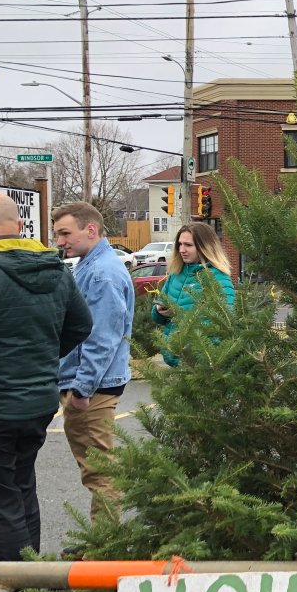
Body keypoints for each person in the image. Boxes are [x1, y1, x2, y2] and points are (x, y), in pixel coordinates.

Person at [0, 193, 92, 592]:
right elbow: (79, 326)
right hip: (37, 402)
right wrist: (41, 361)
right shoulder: (53, 269)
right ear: (17, 226)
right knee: (22, 492)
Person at [52, 202, 134, 521]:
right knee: (95, 469)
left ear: (90, 229)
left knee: (100, 473)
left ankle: (106, 549)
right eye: (57, 234)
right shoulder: (89, 264)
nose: (59, 241)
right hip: (89, 384)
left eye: (65, 233)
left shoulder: (102, 273)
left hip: (94, 389)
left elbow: (102, 338)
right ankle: (100, 542)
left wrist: (82, 390)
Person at [151, 222, 236, 366]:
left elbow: (224, 326)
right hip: (175, 361)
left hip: (201, 367)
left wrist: (201, 357)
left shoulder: (219, 278)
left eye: (188, 245)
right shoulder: (175, 273)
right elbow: (157, 317)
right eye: (180, 244)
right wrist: (160, 312)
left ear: (204, 247)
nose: (182, 249)